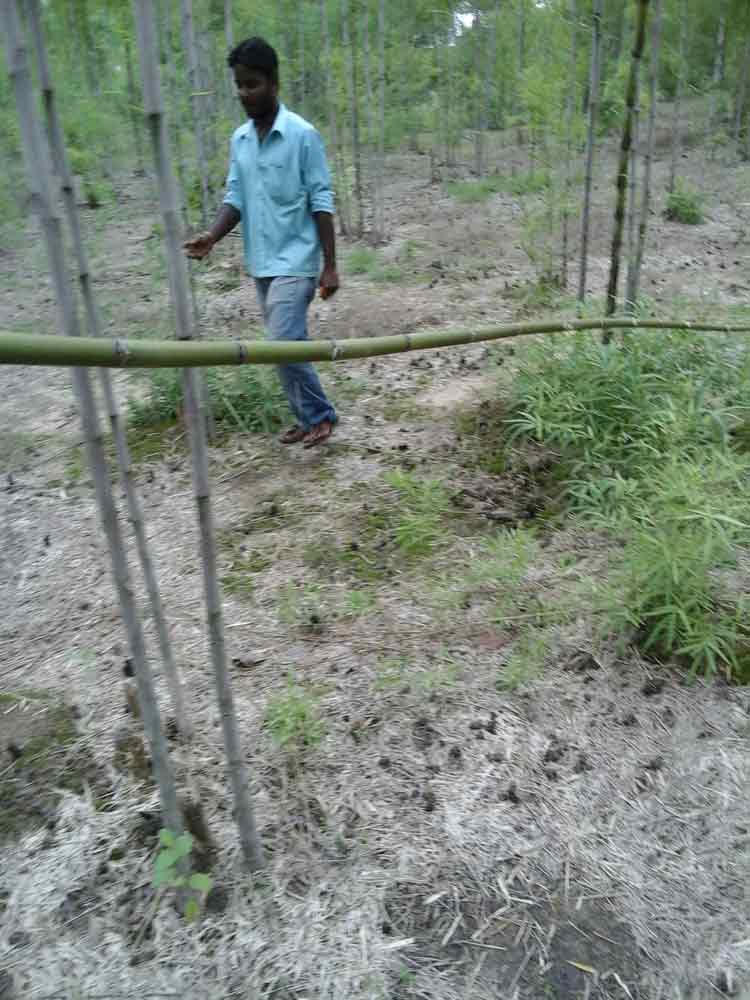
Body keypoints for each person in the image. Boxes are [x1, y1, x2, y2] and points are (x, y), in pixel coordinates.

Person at [184, 37, 338, 448]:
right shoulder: (240, 141)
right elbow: (235, 197)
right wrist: (212, 236)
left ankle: (321, 415)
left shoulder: (303, 135)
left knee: (282, 341)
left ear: (274, 83)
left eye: (252, 84)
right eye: (239, 85)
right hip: (262, 261)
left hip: (298, 261)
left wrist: (330, 265)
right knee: (282, 346)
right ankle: (307, 417)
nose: (243, 93)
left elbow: (321, 200)